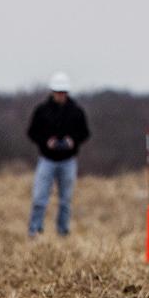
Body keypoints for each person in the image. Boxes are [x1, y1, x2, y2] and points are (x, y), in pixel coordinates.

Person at [27, 72, 90, 237]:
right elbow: (32, 132)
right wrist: (46, 142)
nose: (60, 95)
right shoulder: (41, 111)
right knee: (39, 198)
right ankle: (35, 230)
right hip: (46, 160)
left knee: (65, 200)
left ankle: (63, 231)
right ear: (52, 91)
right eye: (58, 92)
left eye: (63, 92)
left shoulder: (76, 111)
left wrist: (72, 141)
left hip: (68, 161)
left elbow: (85, 133)